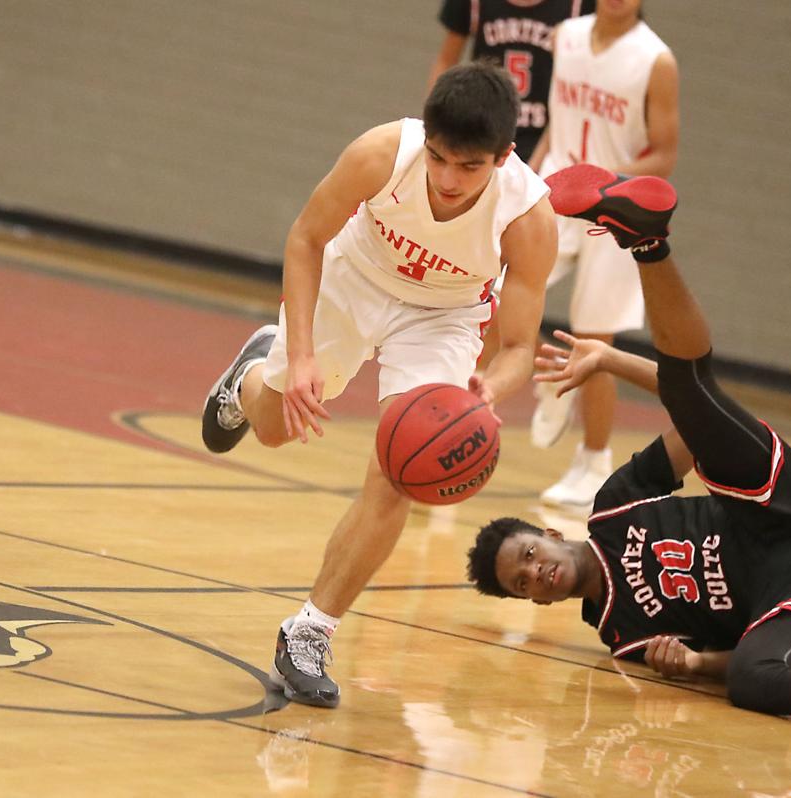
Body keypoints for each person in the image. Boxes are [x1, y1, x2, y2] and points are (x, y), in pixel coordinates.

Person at [466, 164, 791, 760]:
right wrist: (694, 663)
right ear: (535, 604)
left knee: (698, 405)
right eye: (523, 582)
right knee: (751, 680)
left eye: (530, 554)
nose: (535, 571)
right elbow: (726, 660)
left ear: (547, 531)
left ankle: (644, 238)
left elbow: (694, 419)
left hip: (784, 509)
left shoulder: (614, 504)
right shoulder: (625, 638)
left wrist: (612, 362)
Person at [201, 62, 557, 708]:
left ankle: (308, 631)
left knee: (400, 470)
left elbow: (521, 349)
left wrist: (487, 391)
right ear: (426, 137)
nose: (448, 181)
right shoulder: (380, 155)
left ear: (504, 157)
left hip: (444, 317)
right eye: (440, 159)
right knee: (277, 427)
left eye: (468, 167)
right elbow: (306, 240)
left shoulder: (528, 222)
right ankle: (250, 378)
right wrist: (302, 356)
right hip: (353, 278)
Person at [527, 0, 680, 511]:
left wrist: (611, 190)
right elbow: (556, 120)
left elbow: (664, 150)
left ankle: (593, 462)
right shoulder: (565, 34)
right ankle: (548, 383)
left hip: (611, 207)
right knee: (497, 294)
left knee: (596, 341)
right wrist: (526, 175)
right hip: (553, 191)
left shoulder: (656, 60)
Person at [427, 0, 595, 165]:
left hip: (546, 137)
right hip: (484, 131)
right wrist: (432, 123)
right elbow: (446, 60)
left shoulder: (579, 6)